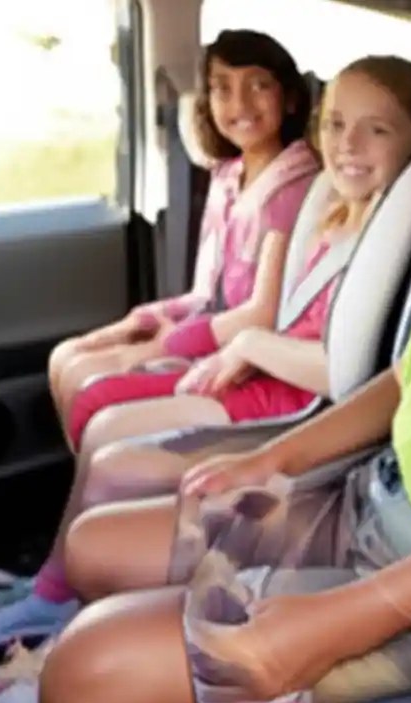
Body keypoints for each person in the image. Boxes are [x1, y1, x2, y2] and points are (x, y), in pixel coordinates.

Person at [0, 55, 411, 703]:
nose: (348, 145)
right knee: (97, 424)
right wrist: (152, 332)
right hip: (301, 414)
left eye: (376, 130)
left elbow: (344, 365)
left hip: (300, 406)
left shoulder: (391, 221)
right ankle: (60, 608)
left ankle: (61, 628)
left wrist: (219, 355)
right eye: (338, 125)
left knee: (110, 441)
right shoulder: (332, 209)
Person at [47, 30, 319, 443]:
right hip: (209, 329)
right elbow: (204, 292)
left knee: (91, 392)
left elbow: (261, 314)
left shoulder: (293, 189)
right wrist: (137, 322)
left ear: (291, 98)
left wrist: (162, 346)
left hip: (248, 355)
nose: (240, 104)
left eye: (259, 86)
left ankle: (106, 487)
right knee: (66, 358)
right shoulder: (228, 178)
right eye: (222, 89)